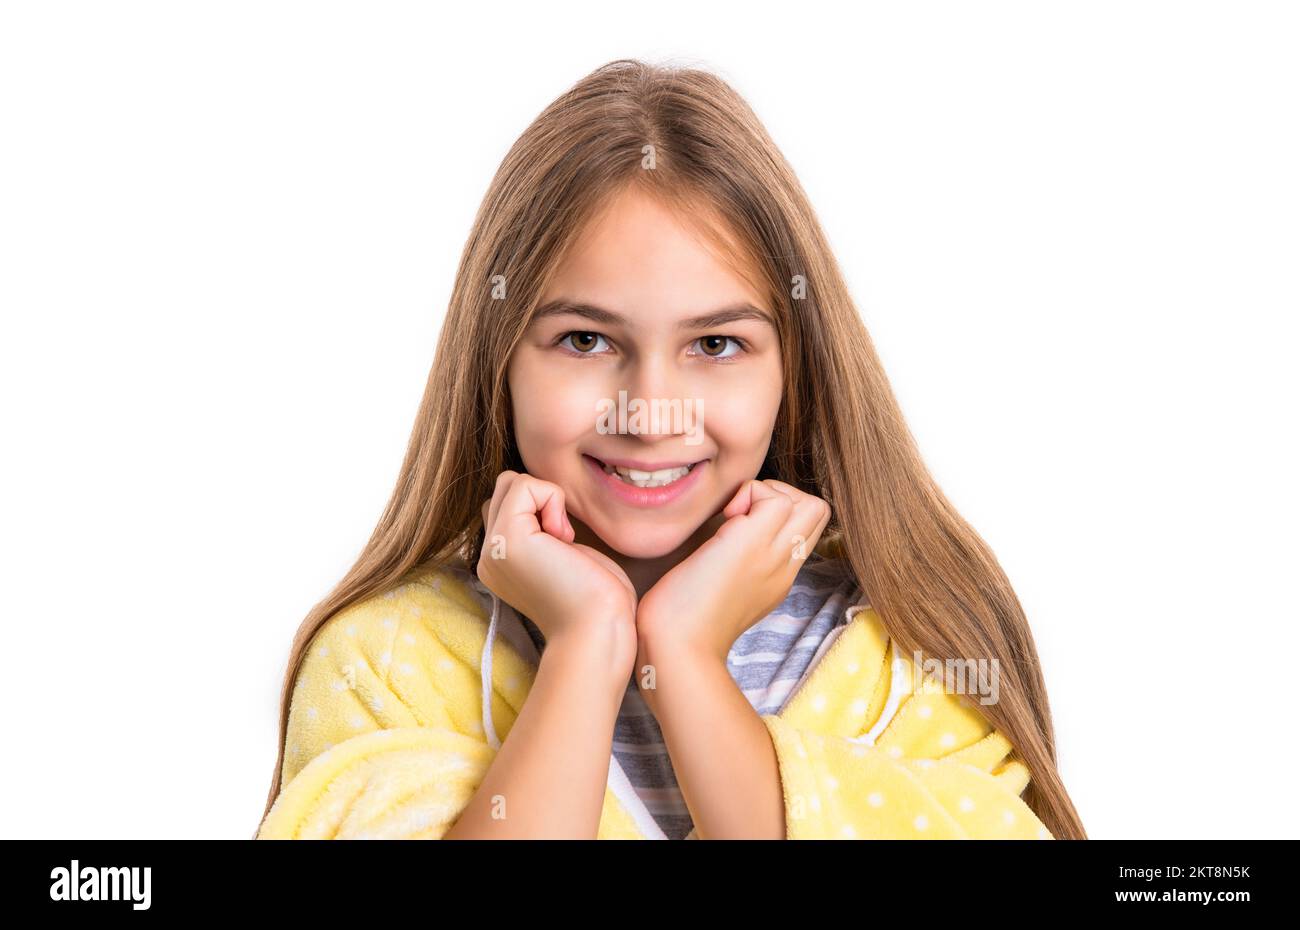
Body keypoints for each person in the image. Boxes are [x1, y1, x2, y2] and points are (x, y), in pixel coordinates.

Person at [255, 58, 1086, 840]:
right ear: (498, 357)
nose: (651, 414)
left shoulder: (917, 650)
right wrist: (588, 645)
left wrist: (683, 656)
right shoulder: (385, 659)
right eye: (584, 340)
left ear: (794, 366)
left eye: (716, 345)